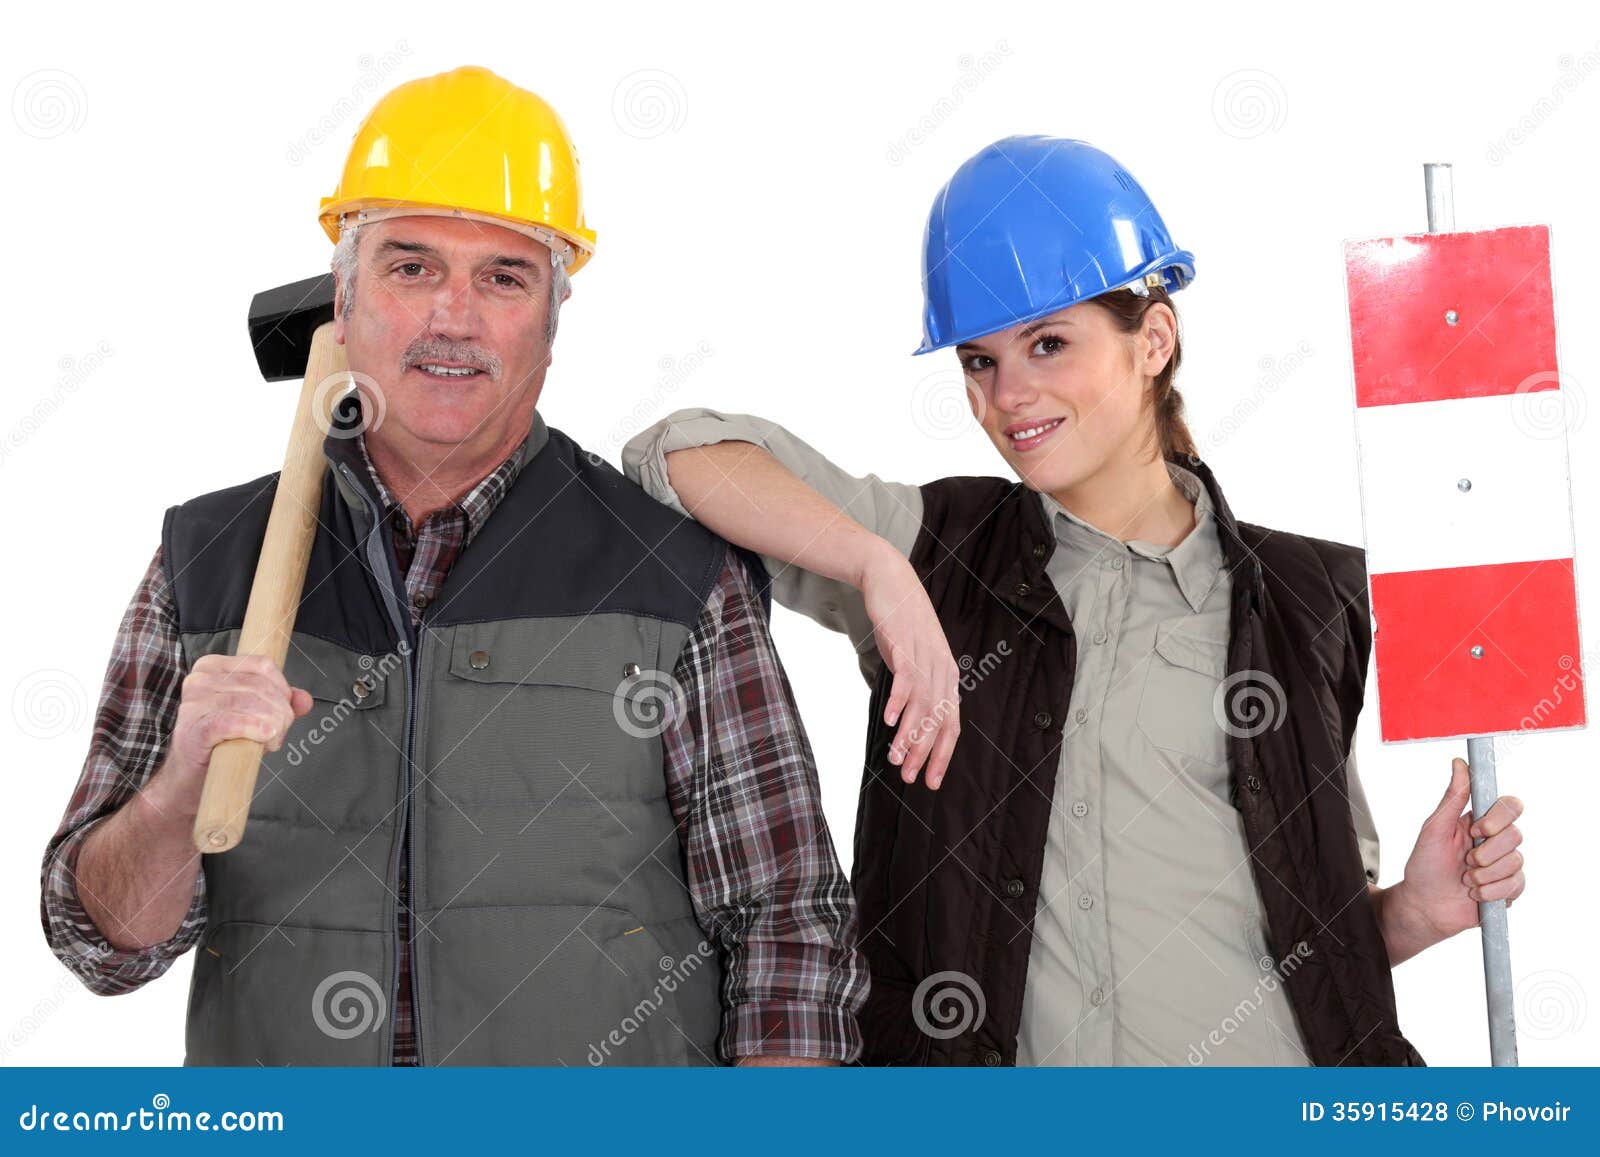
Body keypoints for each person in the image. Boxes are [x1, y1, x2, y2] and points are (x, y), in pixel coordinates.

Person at [622, 136, 1527, 1066]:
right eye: (979, 361)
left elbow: (1317, 942)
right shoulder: (933, 551)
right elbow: (677, 453)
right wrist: (875, 569)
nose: (1009, 395)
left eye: (1048, 344)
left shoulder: (1305, 602)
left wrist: (1416, 913)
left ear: (1154, 341)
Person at [39, 66, 866, 1067]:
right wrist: (177, 789)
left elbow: (787, 923)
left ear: (552, 323)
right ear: (344, 300)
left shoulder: (673, 575)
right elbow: (102, 943)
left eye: (503, 277)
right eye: (412, 266)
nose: (453, 317)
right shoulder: (206, 565)